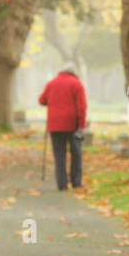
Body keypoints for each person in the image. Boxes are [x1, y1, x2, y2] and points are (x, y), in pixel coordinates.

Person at [38, 62, 88, 190]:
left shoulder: (51, 83)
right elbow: (81, 107)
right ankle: (76, 182)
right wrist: (82, 126)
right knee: (76, 153)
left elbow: (42, 100)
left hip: (54, 125)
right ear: (74, 73)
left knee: (59, 154)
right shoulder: (77, 84)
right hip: (72, 124)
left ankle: (62, 183)